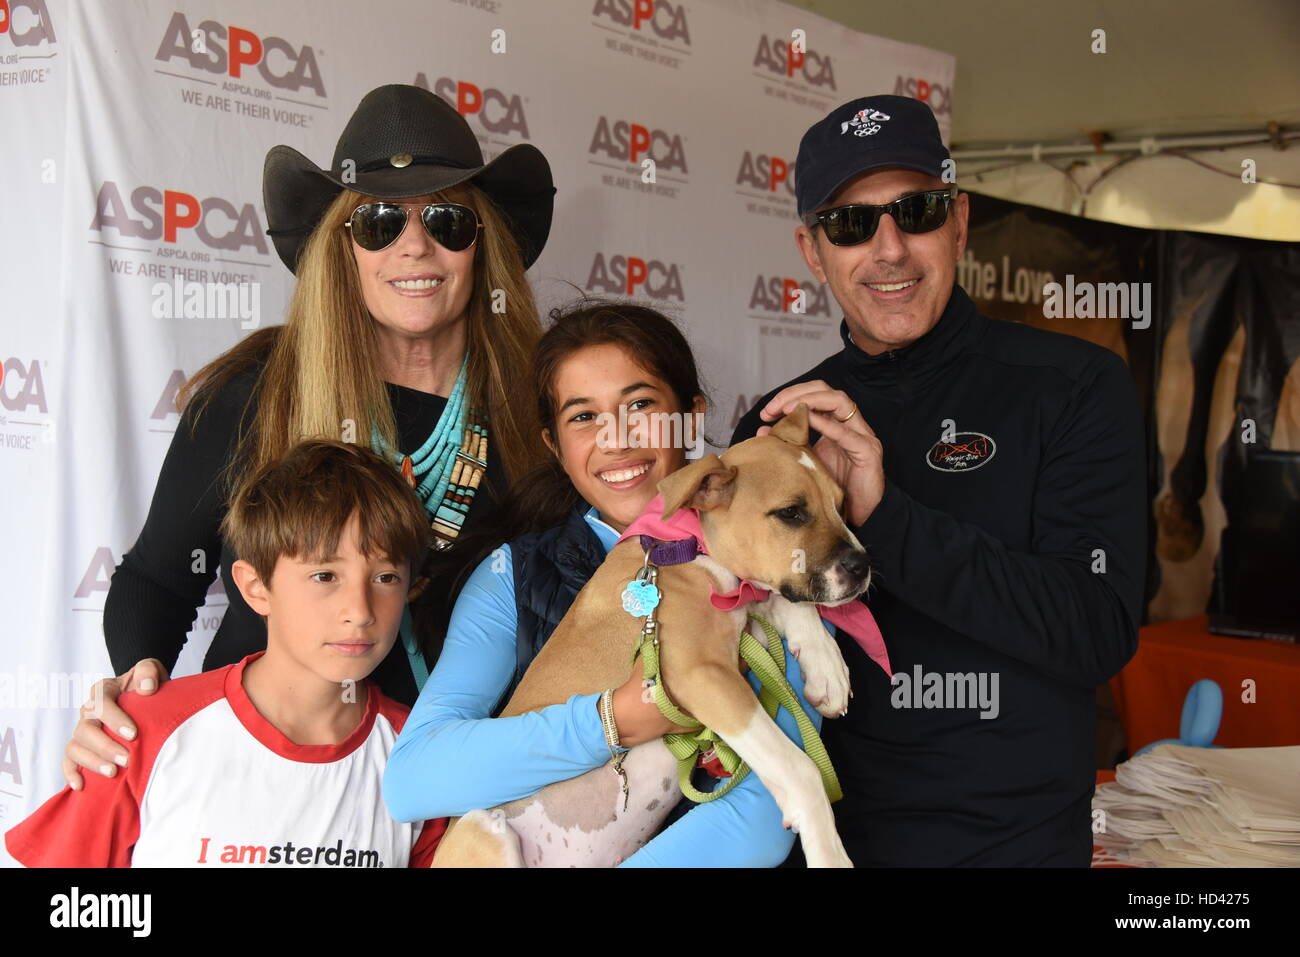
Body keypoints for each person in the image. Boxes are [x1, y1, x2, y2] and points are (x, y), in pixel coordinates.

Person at [64, 84, 555, 789]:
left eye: (448, 219)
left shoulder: (537, 406)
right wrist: (140, 690)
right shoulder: (258, 391)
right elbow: (156, 581)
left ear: (482, 245)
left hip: (462, 793)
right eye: (379, 221)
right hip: (261, 775)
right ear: (341, 245)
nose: (415, 245)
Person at [731, 95, 1147, 866]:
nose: (889, 249)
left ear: (958, 221)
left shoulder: (1075, 387)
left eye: (915, 211)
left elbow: (1095, 632)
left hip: (1011, 848)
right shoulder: (781, 428)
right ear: (812, 250)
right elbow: (736, 639)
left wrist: (883, 512)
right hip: (823, 848)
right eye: (852, 224)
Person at [383, 301, 828, 866]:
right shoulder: (511, 576)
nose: (615, 439)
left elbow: (759, 822)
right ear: (554, 445)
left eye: (640, 405)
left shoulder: (774, 567)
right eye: (583, 416)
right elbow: (415, 780)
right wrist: (614, 719)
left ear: (691, 418)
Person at [8, 440, 446, 867]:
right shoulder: (145, 731)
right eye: (325, 575)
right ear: (256, 587)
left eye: (385, 577)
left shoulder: (417, 757)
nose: (359, 611)